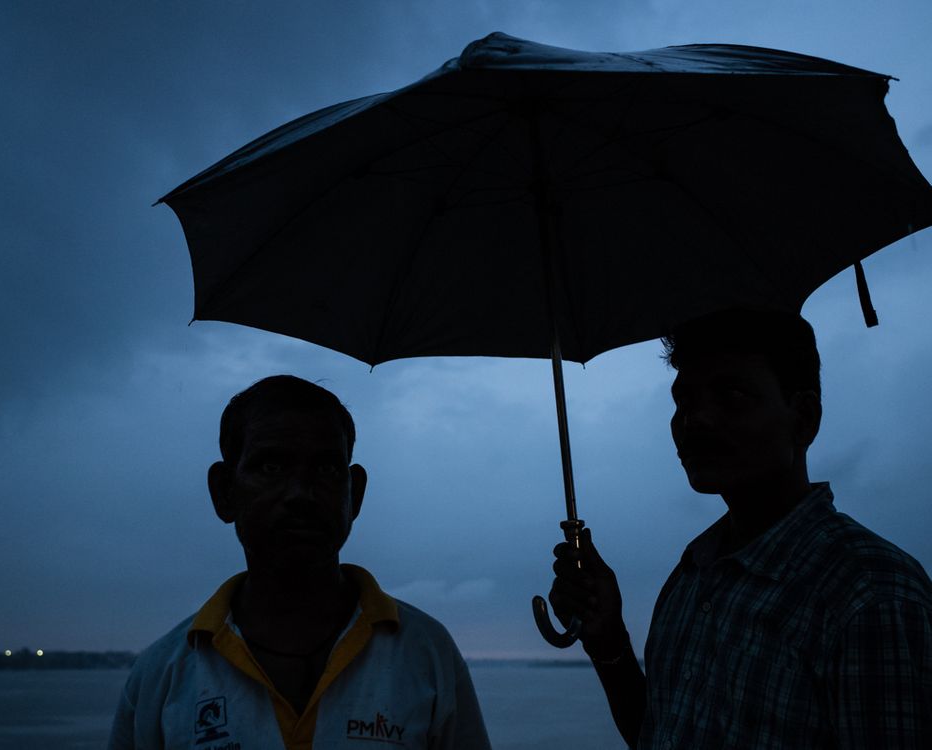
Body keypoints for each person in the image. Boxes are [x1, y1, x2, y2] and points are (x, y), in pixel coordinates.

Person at [549, 308, 932, 749]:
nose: (696, 420)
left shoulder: (870, 595)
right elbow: (659, 735)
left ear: (804, 418)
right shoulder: (692, 575)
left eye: (731, 395)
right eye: (684, 401)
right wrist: (608, 641)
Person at [109, 375, 490, 749]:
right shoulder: (162, 676)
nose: (301, 494)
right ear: (224, 491)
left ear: (354, 494)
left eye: (325, 469)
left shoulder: (426, 653)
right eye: (272, 467)